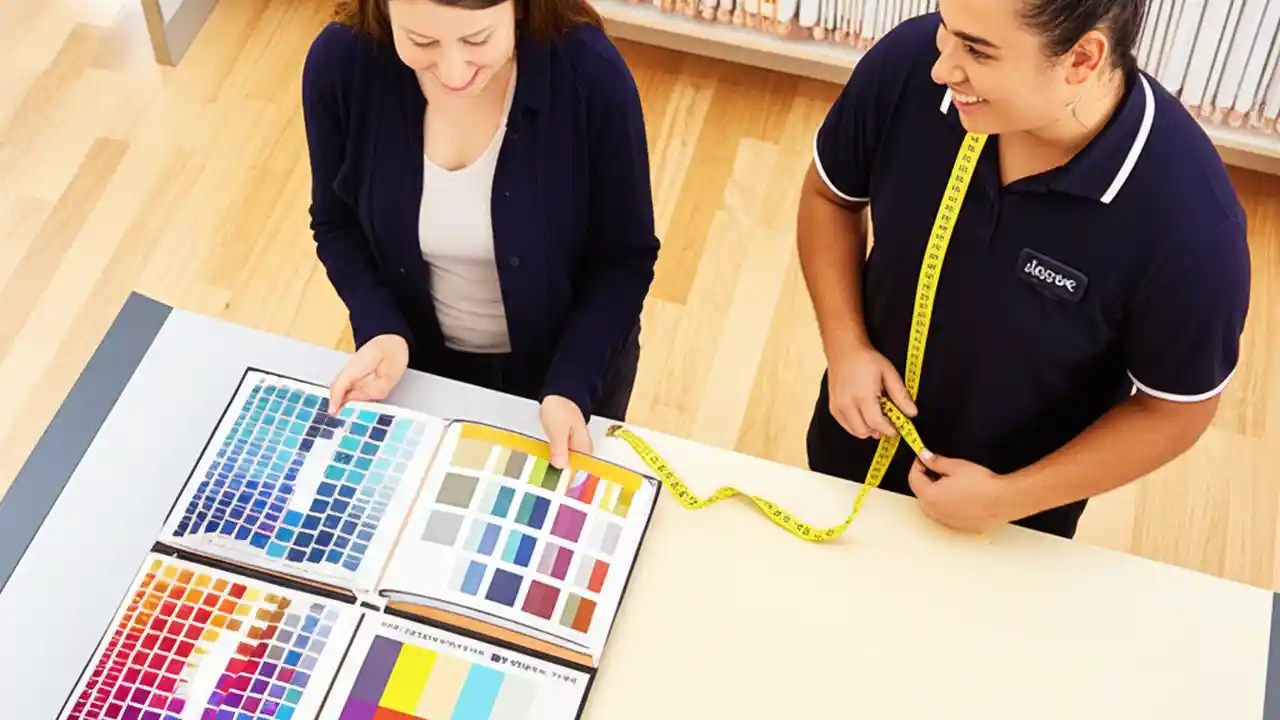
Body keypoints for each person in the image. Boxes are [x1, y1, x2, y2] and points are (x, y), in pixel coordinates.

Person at [797, 0, 1251, 539]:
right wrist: (845, 345)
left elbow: (1174, 410)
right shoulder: (910, 65)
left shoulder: (1191, 229)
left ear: (1082, 59)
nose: (942, 68)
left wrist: (1007, 499)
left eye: (978, 52)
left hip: (1014, 525)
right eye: (946, 27)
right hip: (852, 443)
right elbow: (832, 199)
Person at [300, 0, 659, 469]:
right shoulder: (340, 65)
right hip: (416, 372)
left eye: (477, 40)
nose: (453, 72)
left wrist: (573, 385)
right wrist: (380, 328)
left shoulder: (593, 76)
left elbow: (624, 259)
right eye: (422, 41)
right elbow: (335, 222)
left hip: (572, 369)